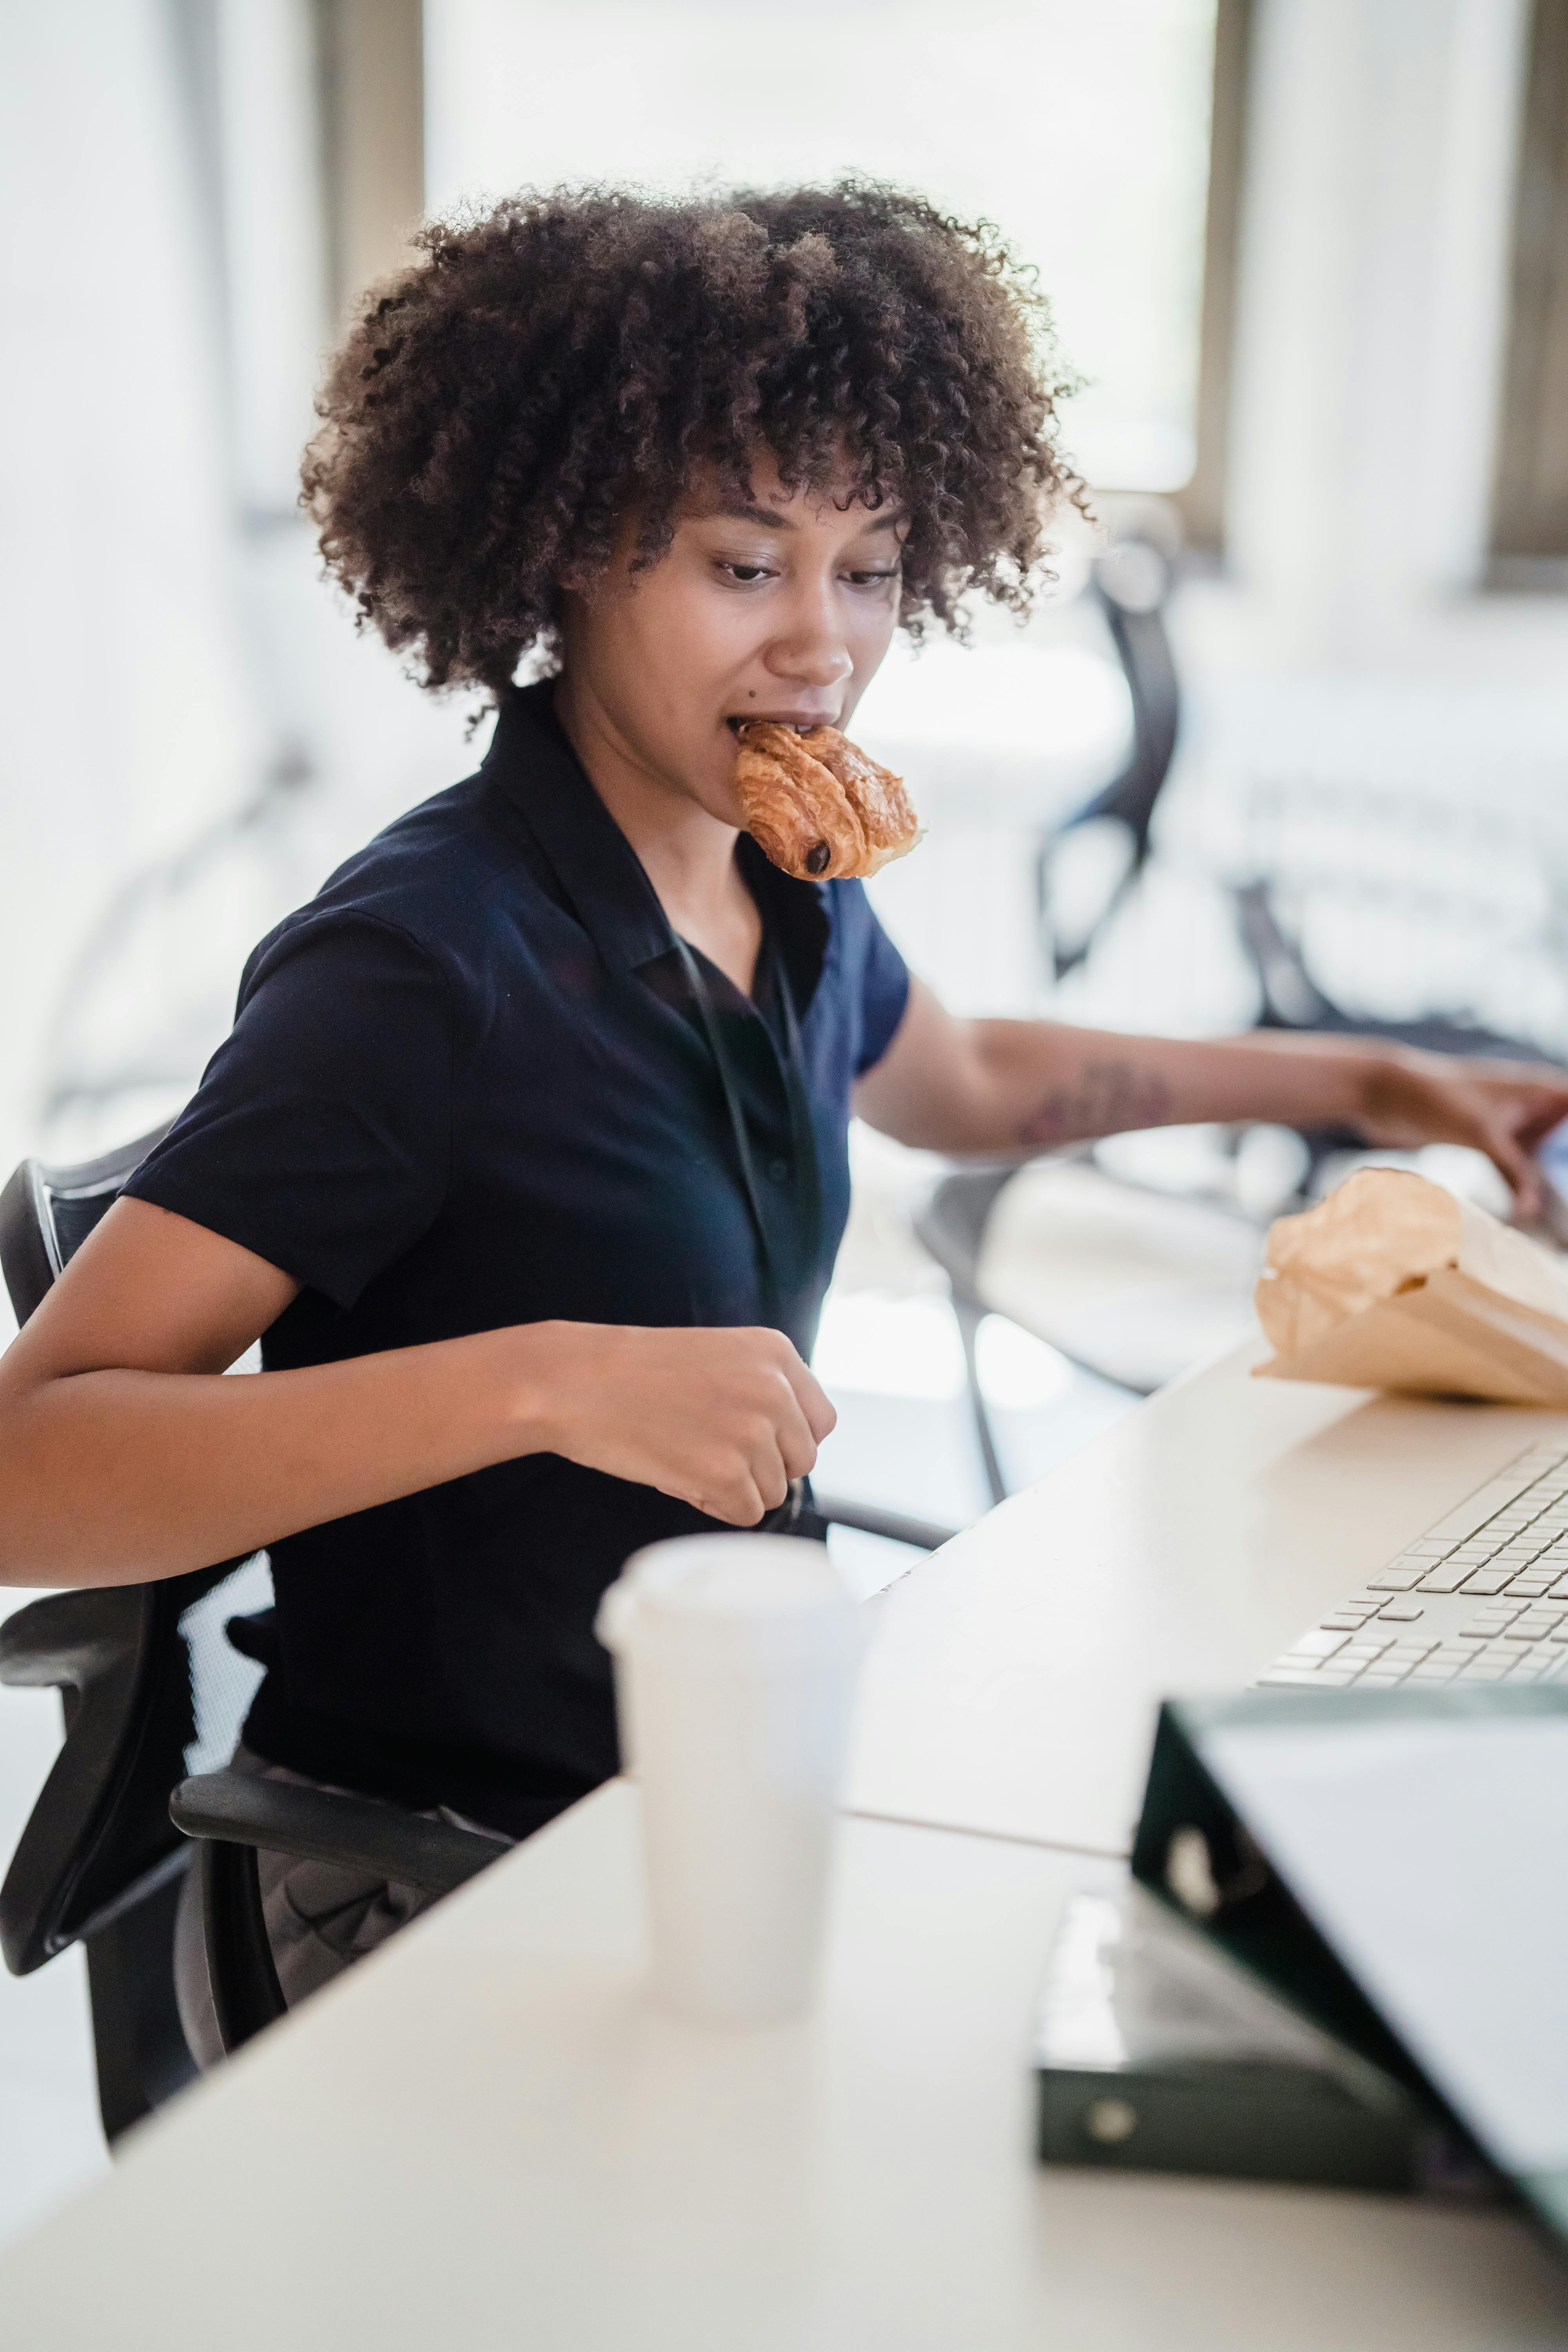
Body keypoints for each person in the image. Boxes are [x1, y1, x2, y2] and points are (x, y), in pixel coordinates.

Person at [2, 185, 1565, 2042]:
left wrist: (1373, 1081)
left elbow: (966, 1080)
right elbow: (33, 1477)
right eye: (746, 567)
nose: (823, 643)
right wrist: (544, 1380)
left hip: (720, 1780)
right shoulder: (417, 969)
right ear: (566, 558)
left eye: (874, 567)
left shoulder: (782, 867)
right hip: (431, 1877)